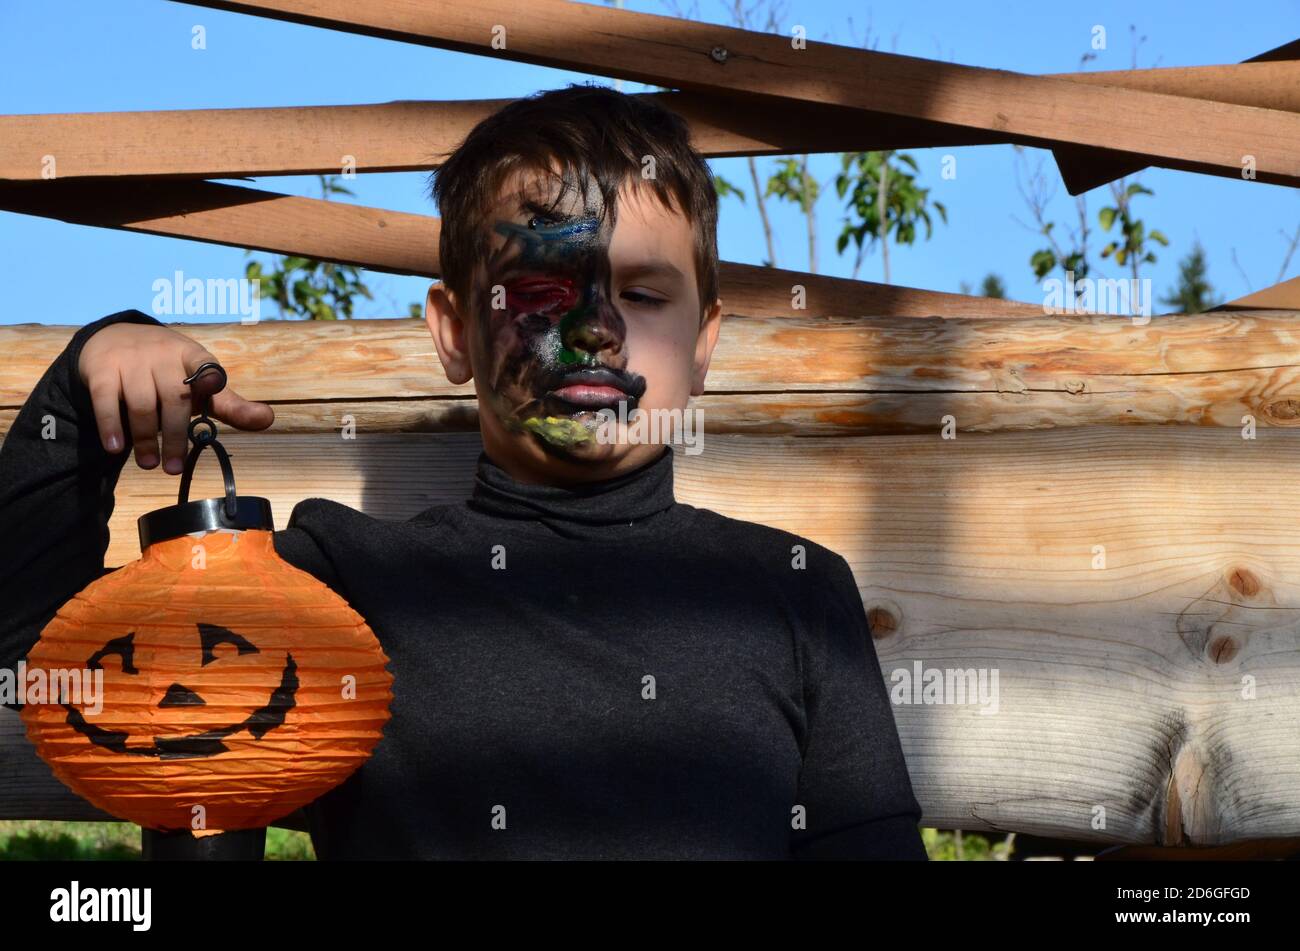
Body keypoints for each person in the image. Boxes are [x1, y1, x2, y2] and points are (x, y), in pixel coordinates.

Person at [0, 83, 926, 860]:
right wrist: (82, 391)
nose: (597, 328)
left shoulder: (793, 591)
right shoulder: (340, 589)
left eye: (643, 294)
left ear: (705, 339)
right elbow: (28, 660)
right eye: (538, 293)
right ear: (453, 331)